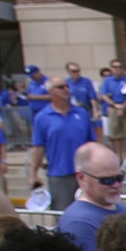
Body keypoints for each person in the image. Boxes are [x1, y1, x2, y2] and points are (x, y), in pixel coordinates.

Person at [57, 142, 126, 251]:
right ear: (82, 178)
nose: (116, 185)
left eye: (119, 178)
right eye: (107, 180)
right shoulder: (78, 223)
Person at [28, 81, 95, 210]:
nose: (66, 89)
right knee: (62, 212)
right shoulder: (42, 117)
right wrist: (33, 174)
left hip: (85, 172)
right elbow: (38, 148)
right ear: (50, 92)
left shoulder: (81, 113)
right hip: (59, 174)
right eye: (60, 87)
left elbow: (91, 143)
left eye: (67, 86)